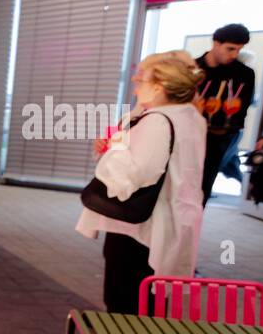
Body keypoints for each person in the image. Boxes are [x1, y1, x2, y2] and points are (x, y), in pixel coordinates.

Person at [77, 51, 206, 315]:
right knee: (148, 300)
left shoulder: (158, 120)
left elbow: (130, 178)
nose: (135, 88)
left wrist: (116, 147)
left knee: (125, 298)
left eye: (141, 80)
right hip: (168, 218)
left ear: (159, 87)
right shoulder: (191, 117)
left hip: (139, 224)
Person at [195, 23, 254, 201]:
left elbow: (242, 109)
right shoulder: (193, 69)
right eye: (230, 49)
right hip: (190, 137)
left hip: (219, 139)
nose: (235, 55)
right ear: (215, 44)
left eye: (239, 49)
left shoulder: (244, 74)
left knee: (203, 189)